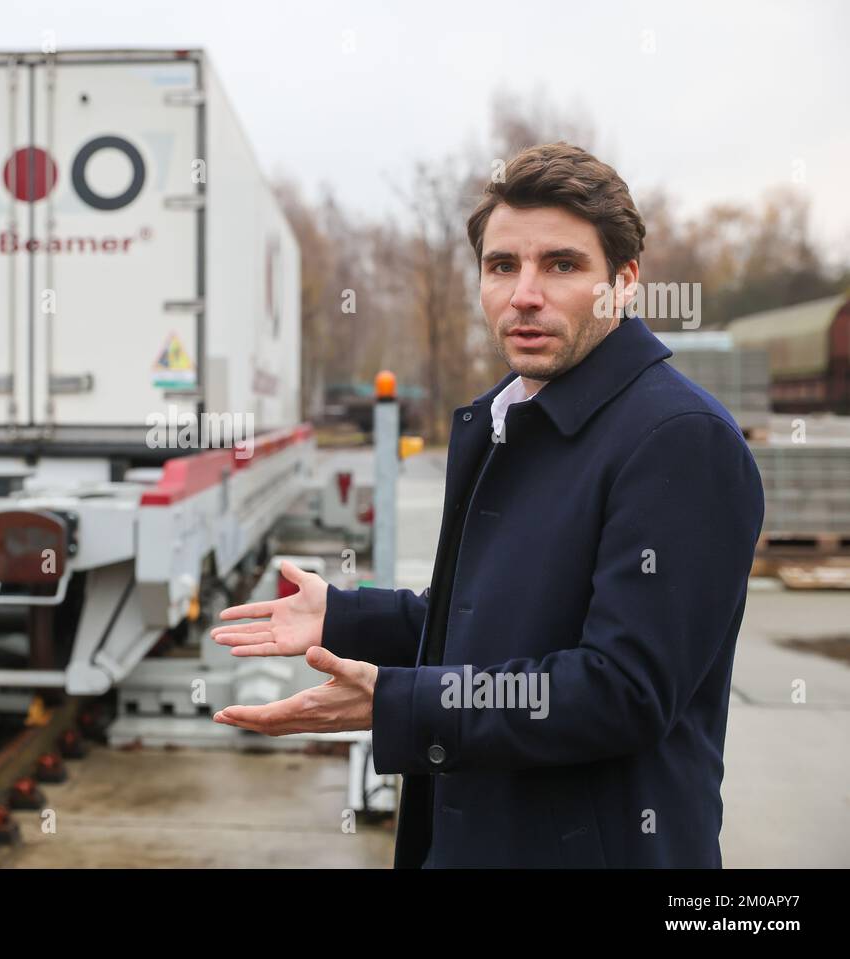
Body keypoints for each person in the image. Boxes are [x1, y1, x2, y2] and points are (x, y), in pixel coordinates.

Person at [210, 142, 765, 868]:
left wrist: (399, 703)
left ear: (623, 282)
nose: (523, 294)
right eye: (503, 265)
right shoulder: (508, 420)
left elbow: (620, 689)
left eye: (561, 265)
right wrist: (349, 617)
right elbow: (496, 619)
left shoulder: (679, 440)